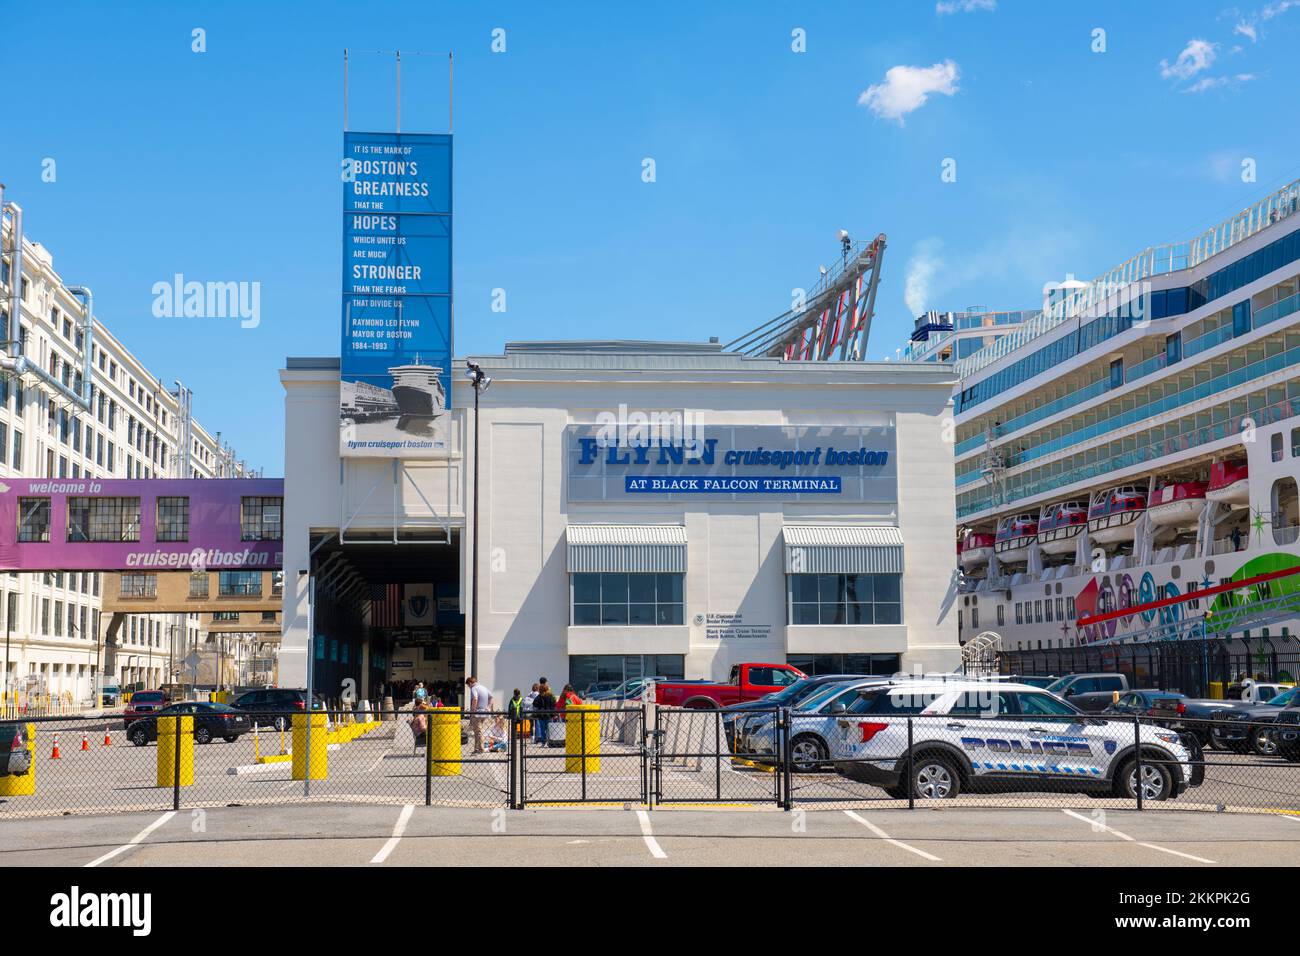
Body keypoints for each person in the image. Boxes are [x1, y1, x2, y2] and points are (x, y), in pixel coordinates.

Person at [465, 676, 492, 754]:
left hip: (477, 713)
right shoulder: (484, 687)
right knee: (478, 730)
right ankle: (477, 748)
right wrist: (488, 707)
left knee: (478, 731)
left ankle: (480, 748)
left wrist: (473, 710)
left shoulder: (474, 688)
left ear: (470, 683)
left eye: (468, 685)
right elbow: (491, 697)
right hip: (484, 712)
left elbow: (475, 698)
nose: (468, 687)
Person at [532, 681, 556, 747]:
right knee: (549, 729)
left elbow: (534, 704)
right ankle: (550, 741)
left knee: (542, 729)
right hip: (549, 715)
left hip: (541, 715)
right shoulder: (551, 696)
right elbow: (554, 704)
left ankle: (543, 742)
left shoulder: (539, 697)